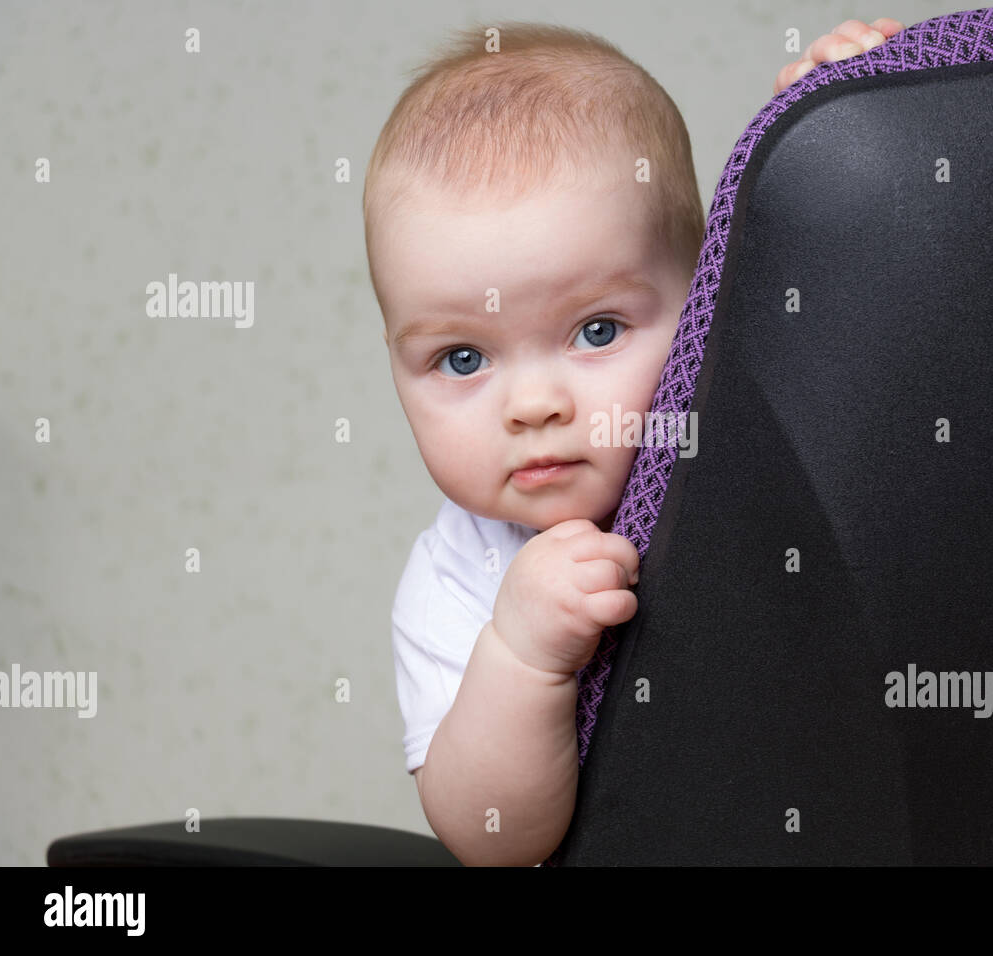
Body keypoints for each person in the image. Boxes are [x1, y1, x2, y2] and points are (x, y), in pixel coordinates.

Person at [363, 17, 903, 867]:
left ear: (706, 299)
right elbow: (490, 838)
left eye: (597, 329)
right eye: (461, 357)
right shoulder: (460, 574)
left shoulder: (753, 435)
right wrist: (523, 653)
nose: (534, 404)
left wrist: (844, 120)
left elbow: (885, 327)